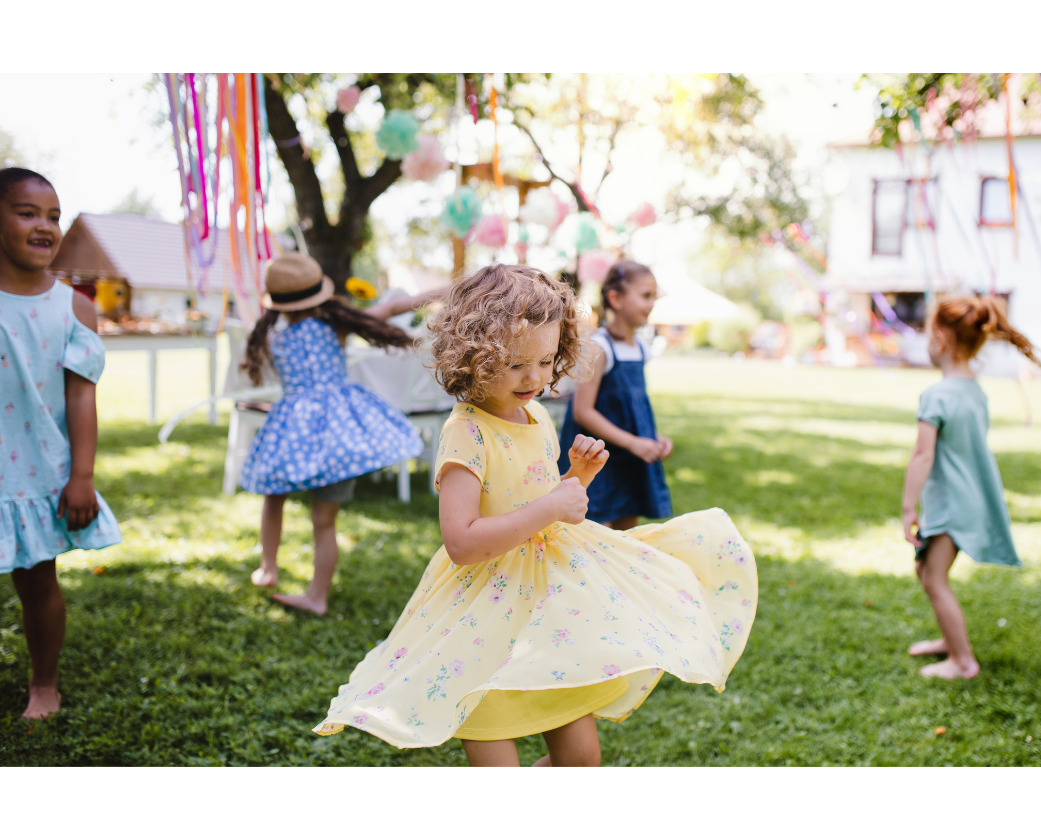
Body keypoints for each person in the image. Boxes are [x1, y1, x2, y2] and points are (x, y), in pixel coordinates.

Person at [312, 264, 757, 766]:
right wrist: (551, 504)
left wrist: (577, 479)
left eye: (546, 361)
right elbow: (462, 541)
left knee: (581, 760)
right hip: (481, 615)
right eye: (517, 364)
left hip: (546, 610)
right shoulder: (467, 433)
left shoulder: (537, 413)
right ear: (474, 355)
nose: (536, 378)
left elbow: (547, 504)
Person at [239, 253, 429, 615]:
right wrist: (439, 291)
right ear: (318, 294)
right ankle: (317, 595)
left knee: (273, 498)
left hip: (291, 434)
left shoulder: (271, 337)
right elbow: (393, 308)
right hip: (337, 434)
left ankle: (268, 567)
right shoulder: (335, 325)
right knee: (324, 522)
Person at [0, 168, 122, 719]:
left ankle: (43, 683)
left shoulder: (74, 307)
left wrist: (82, 475)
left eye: (53, 215)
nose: (45, 226)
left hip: (34, 469)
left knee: (38, 580)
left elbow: (80, 398)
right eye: (27, 212)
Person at [901, 295, 1039, 679]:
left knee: (934, 579)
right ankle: (950, 641)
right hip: (968, 500)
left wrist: (909, 508)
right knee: (928, 573)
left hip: (951, 505)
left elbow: (922, 456)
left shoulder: (936, 395)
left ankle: (963, 661)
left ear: (941, 339)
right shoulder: (974, 390)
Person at [557, 261, 672, 530]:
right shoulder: (600, 348)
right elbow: (582, 411)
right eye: (645, 295)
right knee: (595, 531)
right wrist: (634, 442)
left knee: (627, 527)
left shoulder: (642, 349)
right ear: (615, 298)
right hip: (596, 458)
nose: (652, 303)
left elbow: (634, 409)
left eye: (653, 296)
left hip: (630, 459)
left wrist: (652, 439)